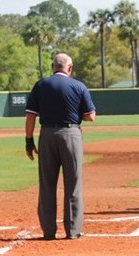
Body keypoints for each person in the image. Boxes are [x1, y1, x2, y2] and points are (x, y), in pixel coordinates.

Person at [25, 53, 96, 239]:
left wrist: (29, 140)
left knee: (47, 184)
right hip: (71, 134)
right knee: (73, 184)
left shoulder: (41, 85)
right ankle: (73, 231)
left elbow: (31, 115)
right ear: (69, 68)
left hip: (47, 135)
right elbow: (91, 116)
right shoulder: (78, 86)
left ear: (53, 67)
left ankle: (48, 231)